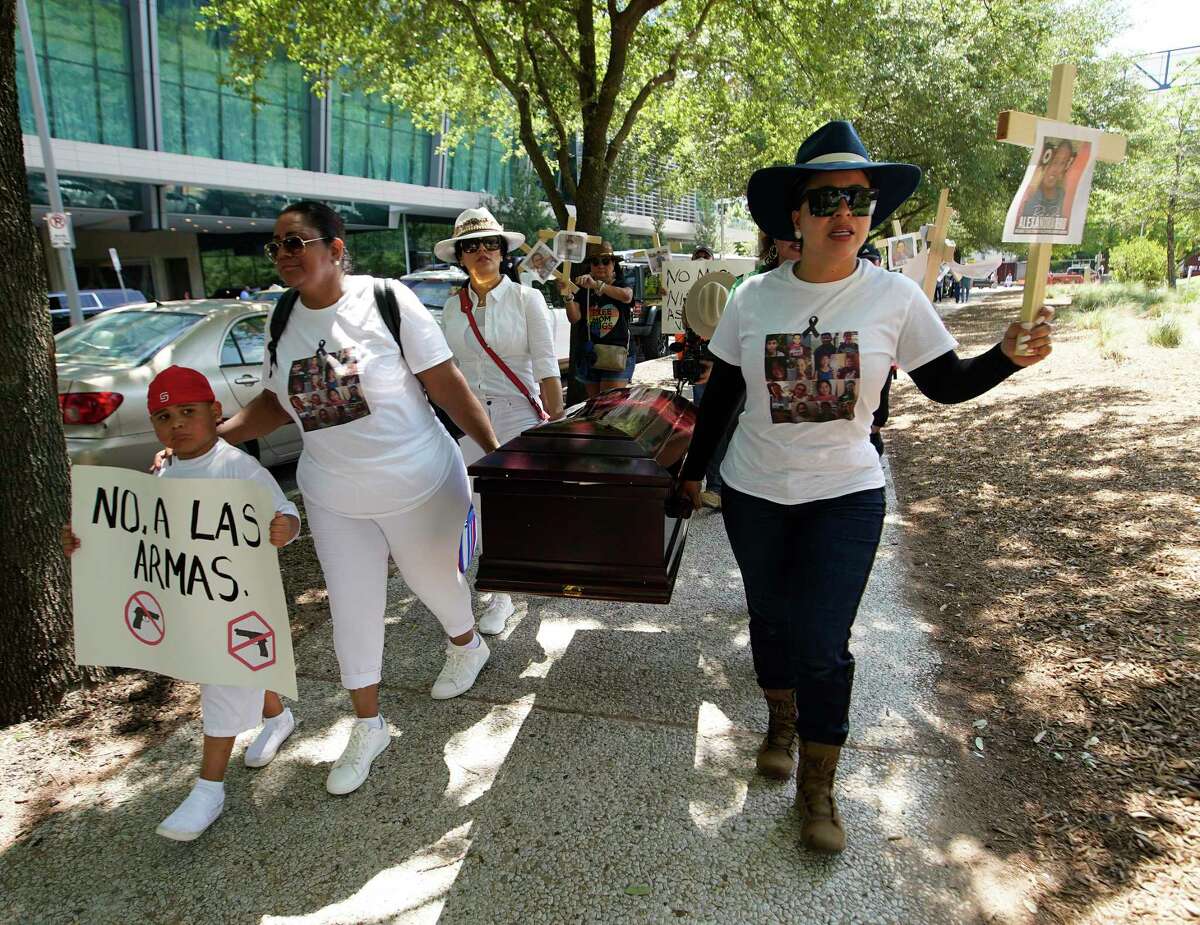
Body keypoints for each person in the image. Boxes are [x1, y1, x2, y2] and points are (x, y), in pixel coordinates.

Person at [679, 121, 1054, 854]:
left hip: (845, 494)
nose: (842, 215)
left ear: (872, 211)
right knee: (770, 623)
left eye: (857, 199)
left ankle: (820, 782)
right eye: (825, 201)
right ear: (797, 214)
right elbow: (722, 392)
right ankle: (781, 718)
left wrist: (1006, 356)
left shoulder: (896, 297)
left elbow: (945, 383)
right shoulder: (753, 298)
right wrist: (694, 472)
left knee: (823, 639)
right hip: (755, 492)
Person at [200, 200, 501, 797]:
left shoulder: (387, 300)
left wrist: (495, 457)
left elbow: (445, 383)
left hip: (418, 477)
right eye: (277, 246)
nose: (284, 254)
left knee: (434, 581)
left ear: (336, 248)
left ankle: (467, 645)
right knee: (352, 607)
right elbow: (275, 403)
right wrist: (213, 437)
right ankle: (368, 724)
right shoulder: (282, 316)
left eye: (296, 242)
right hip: (334, 492)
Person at [66, 366, 301, 841]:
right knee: (232, 672)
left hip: (238, 606)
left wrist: (285, 527)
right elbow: (139, 527)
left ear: (215, 412)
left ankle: (208, 789)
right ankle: (277, 716)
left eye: (188, 411)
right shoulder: (163, 468)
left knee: (223, 680)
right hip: (190, 600)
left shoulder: (239, 466)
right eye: (163, 415)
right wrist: (86, 538)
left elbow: (286, 512)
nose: (176, 423)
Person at [437, 208, 564, 635]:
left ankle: (510, 580)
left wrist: (558, 428)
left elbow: (547, 369)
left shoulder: (528, 299)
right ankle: (500, 591)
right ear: (460, 256)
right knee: (473, 504)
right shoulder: (452, 308)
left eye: (490, 243)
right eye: (470, 246)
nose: (481, 252)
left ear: (503, 251)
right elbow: (447, 369)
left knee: (511, 504)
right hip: (470, 417)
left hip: (517, 415)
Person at [566, 242, 635, 397]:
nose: (600, 266)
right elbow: (574, 318)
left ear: (613, 264)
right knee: (595, 405)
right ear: (590, 265)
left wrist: (598, 285)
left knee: (609, 406)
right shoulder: (583, 288)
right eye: (595, 262)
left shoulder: (620, 284)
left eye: (605, 261)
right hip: (591, 354)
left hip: (616, 353)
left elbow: (626, 296)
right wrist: (568, 296)